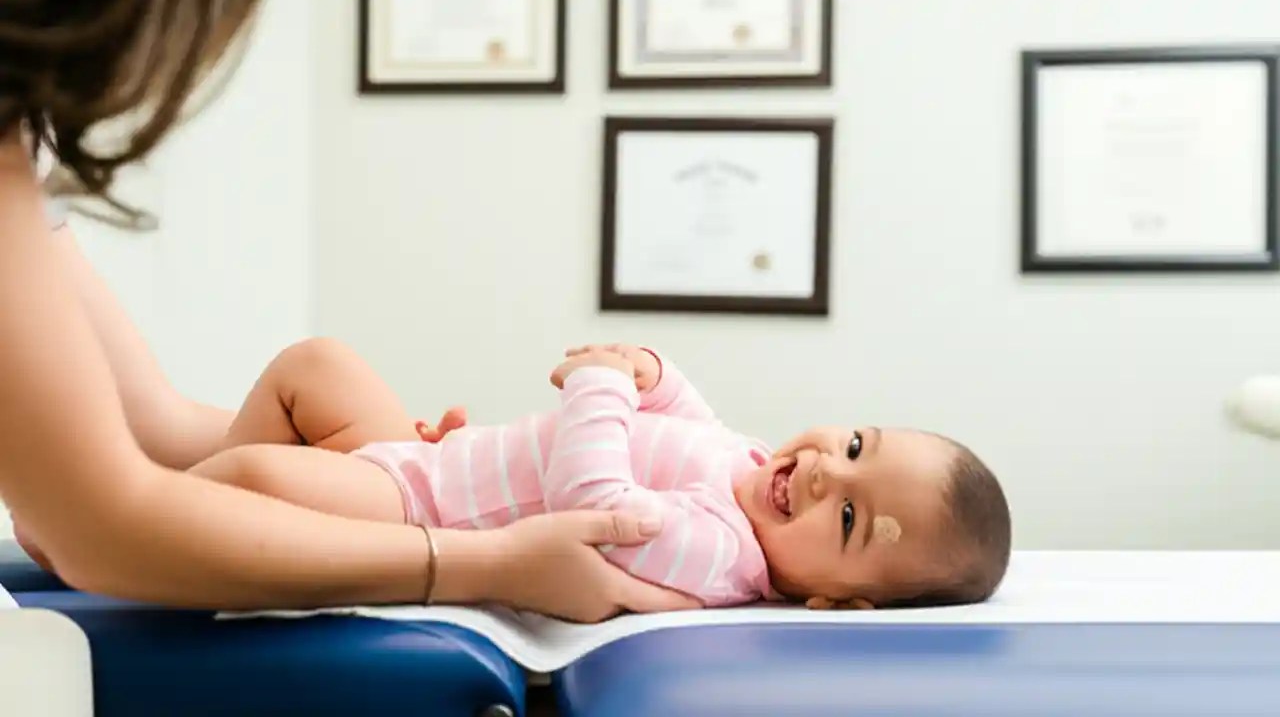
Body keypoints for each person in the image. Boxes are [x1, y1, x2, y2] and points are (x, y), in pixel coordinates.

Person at [0, 0, 697, 623]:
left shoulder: (23, 145)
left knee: (321, 370)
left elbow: (151, 423)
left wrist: (406, 470)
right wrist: (491, 561)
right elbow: (90, 528)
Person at [184, 338, 1014, 609]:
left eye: (850, 520)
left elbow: (593, 503)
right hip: (430, 461)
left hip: (413, 508)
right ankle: (178, 494)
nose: (827, 476)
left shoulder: (722, 553)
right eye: (856, 447)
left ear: (835, 600)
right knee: (316, 366)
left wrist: (602, 384)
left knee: (256, 480)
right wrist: (652, 369)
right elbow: (691, 423)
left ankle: (160, 525)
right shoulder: (757, 469)